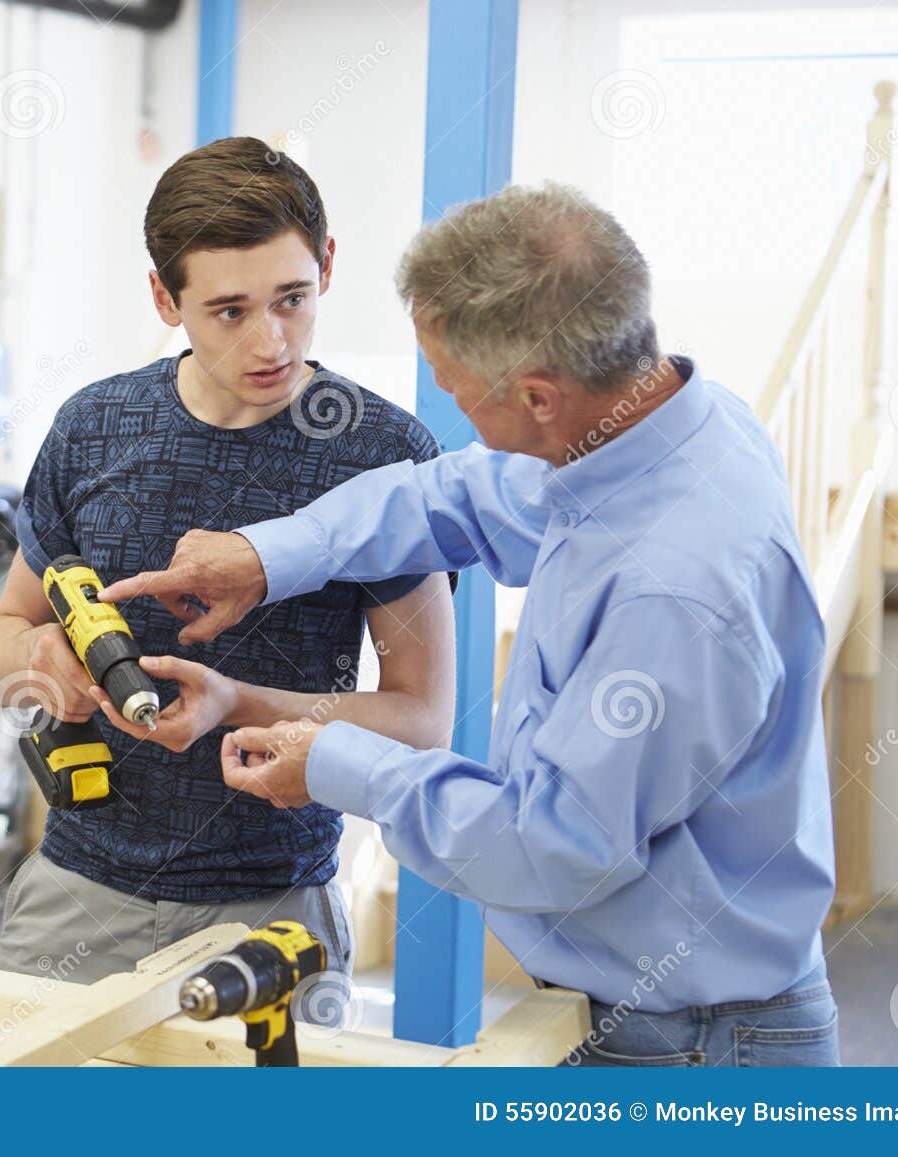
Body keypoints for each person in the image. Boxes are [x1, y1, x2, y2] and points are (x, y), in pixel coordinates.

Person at [100, 183, 841, 1066]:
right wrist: (266, 557)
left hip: (697, 1042)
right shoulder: (662, 427)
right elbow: (454, 497)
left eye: (456, 388)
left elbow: (556, 847)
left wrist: (333, 762)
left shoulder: (674, 596)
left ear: (536, 397)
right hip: (644, 1008)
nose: (450, 407)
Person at [0, 137, 455, 983]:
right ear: (166, 298)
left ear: (329, 265)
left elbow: (421, 720)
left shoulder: (385, 453)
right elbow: (4, 635)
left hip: (272, 914)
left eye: (293, 299)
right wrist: (37, 661)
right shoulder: (95, 427)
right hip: (73, 898)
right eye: (230, 311)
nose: (271, 341)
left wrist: (242, 703)